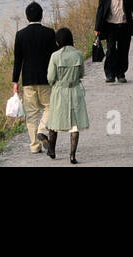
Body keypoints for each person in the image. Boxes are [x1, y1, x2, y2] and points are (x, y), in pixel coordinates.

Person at [11, 1, 59, 155]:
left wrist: (15, 82)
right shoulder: (50, 33)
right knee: (50, 107)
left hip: (28, 80)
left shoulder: (20, 35)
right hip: (46, 79)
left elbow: (18, 60)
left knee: (31, 113)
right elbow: (55, 56)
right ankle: (42, 129)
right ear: (42, 16)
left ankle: (34, 146)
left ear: (26, 17)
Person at [44, 27, 89, 163]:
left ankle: (52, 150)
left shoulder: (55, 56)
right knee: (74, 125)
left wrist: (55, 83)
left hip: (59, 90)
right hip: (75, 89)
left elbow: (50, 77)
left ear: (58, 42)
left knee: (54, 122)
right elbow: (81, 73)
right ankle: (72, 155)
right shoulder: (78, 55)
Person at [93, 0, 133, 83]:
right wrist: (97, 28)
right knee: (110, 50)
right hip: (110, 27)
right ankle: (110, 74)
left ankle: (121, 74)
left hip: (125, 26)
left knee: (123, 51)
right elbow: (100, 13)